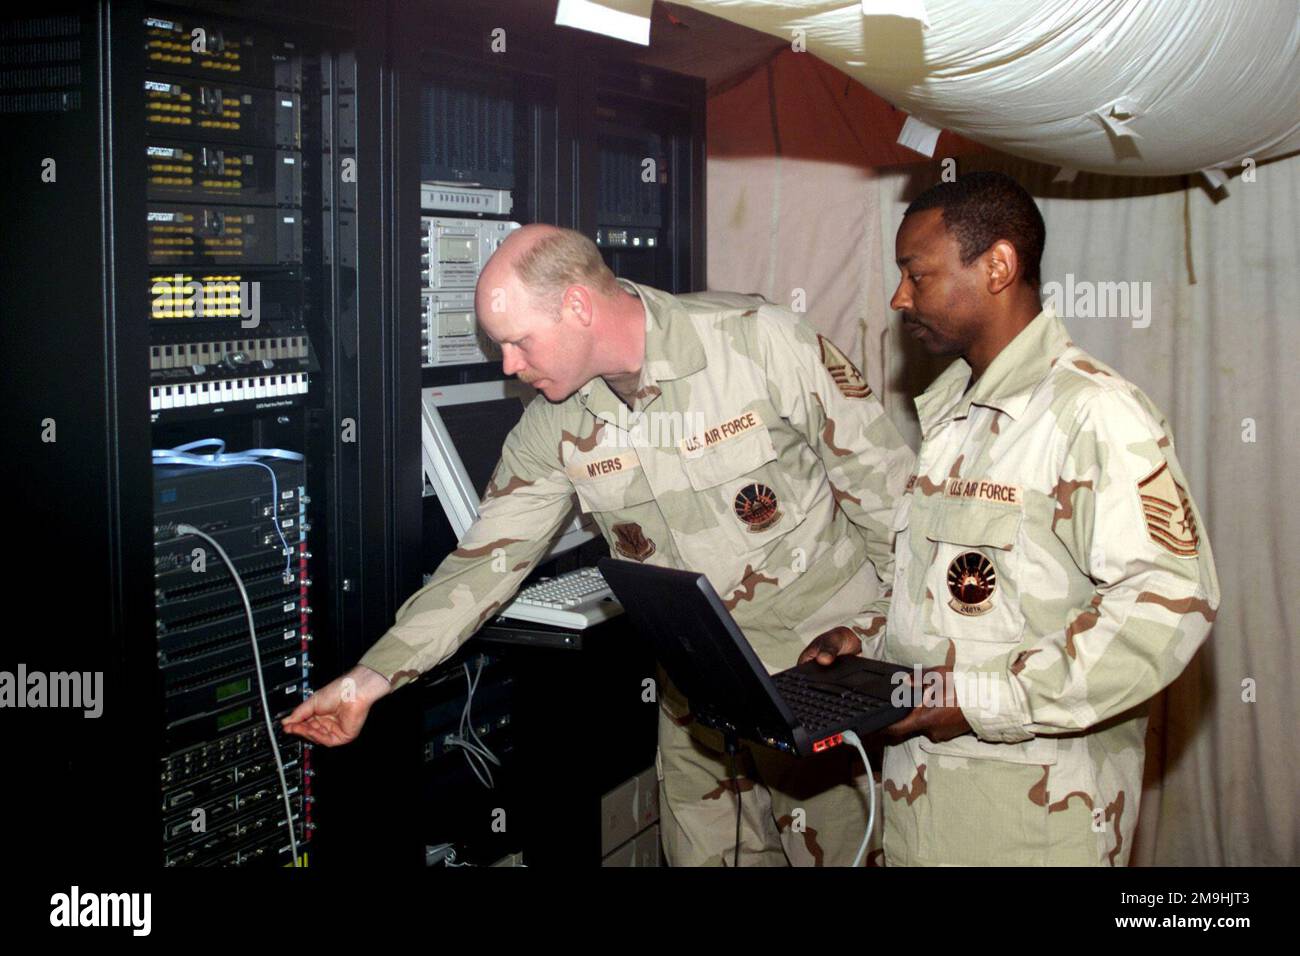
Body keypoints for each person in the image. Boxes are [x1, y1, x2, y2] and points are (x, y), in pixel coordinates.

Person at [283, 224, 915, 866]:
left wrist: (885, 652)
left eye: (516, 342)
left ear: (579, 307)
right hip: (699, 707)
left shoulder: (758, 341)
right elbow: (482, 565)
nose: (508, 365)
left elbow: (895, 509)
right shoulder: (554, 422)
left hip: (819, 681)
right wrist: (370, 679)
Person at [809, 171, 1219, 865]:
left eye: (916, 273)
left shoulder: (1092, 413)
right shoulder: (952, 417)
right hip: (922, 810)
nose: (898, 296)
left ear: (998, 266)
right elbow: (953, 599)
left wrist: (978, 700)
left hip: (1031, 823)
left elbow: (1171, 606)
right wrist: (869, 641)